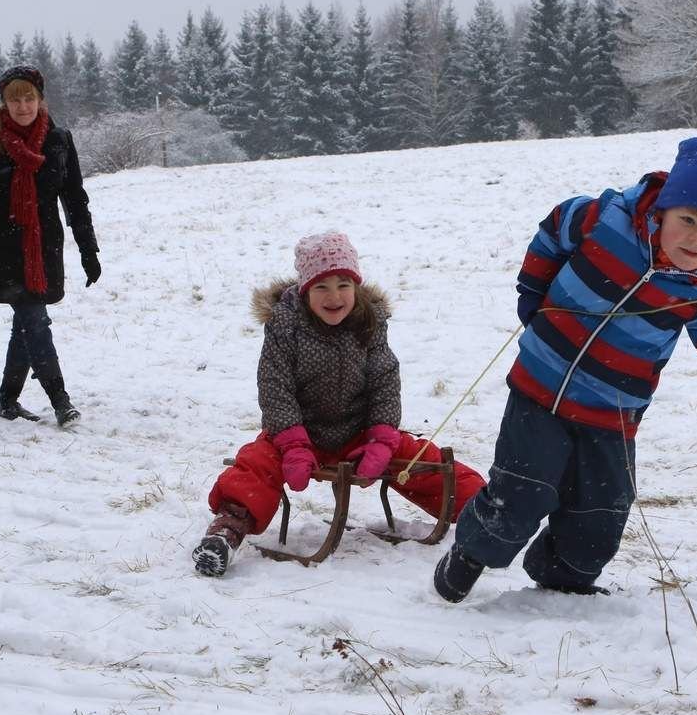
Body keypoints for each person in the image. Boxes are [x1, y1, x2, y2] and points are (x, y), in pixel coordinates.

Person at [432, 121, 697, 602]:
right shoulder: (604, 219)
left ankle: (562, 578)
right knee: (521, 492)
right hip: (541, 387)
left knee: (601, 512)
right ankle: (470, 555)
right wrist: (532, 292)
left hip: (614, 412)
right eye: (688, 219)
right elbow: (553, 231)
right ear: (664, 207)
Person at [192, 231, 487, 577]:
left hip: (358, 433)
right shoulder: (285, 327)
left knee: (419, 459)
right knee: (256, 463)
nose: (334, 296)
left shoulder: (369, 323)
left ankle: (488, 510)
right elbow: (275, 386)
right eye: (321, 287)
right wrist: (293, 443)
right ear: (305, 290)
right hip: (297, 434)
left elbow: (384, 381)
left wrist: (381, 438)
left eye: (343, 284)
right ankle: (226, 532)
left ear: (356, 286)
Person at [0, 65, 100, 426]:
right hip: (0, 248)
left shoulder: (59, 141)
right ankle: (60, 400)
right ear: (4, 103)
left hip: (43, 247)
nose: (22, 106)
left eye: (28, 98)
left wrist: (88, 249)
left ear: (40, 99)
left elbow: (75, 198)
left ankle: (8, 400)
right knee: (35, 319)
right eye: (14, 100)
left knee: (27, 322)